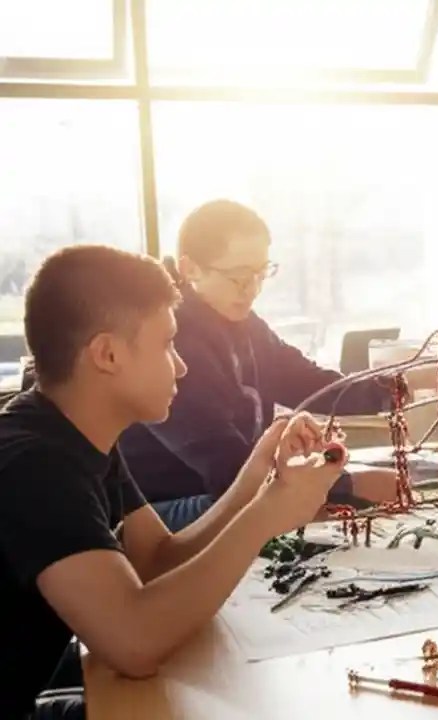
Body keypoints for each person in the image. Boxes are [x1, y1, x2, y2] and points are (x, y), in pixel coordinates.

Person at [0, 245, 347, 720]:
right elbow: (135, 643)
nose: (181, 365)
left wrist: (256, 481)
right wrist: (268, 515)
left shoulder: (77, 433)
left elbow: (156, 559)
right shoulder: (34, 463)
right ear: (107, 354)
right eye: (167, 344)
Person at [118, 200, 403, 532]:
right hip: (171, 507)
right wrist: (348, 487)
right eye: (238, 276)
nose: (252, 290)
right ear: (190, 268)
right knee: (310, 511)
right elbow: (229, 472)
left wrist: (399, 386)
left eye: (260, 273)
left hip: (231, 486)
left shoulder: (242, 323)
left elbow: (307, 381)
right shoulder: (175, 340)